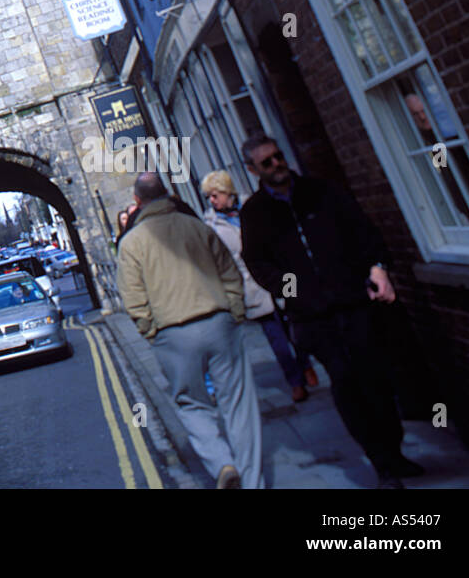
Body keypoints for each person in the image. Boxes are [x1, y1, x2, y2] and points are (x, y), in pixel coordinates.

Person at [238, 134, 419, 488]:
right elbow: (257, 262)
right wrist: (292, 291)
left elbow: (362, 231)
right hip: (313, 317)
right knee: (347, 384)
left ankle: (395, 452)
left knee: (377, 379)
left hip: (353, 303)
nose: (277, 166)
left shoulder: (323, 191)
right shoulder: (255, 212)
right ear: (252, 170)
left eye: (278, 157)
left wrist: (377, 267)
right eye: (266, 163)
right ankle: (380, 461)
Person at [117, 171, 263, 489]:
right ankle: (253, 483)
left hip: (173, 334)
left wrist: (151, 333)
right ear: (168, 194)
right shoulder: (197, 227)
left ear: (138, 202)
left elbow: (133, 298)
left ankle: (222, 463)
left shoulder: (131, 244)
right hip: (218, 321)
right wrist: (235, 311)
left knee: (192, 405)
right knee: (238, 404)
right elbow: (229, 272)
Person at [200, 169, 318, 402]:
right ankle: (295, 381)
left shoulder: (253, 207)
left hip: (282, 275)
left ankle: (306, 365)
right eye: (208, 197)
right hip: (251, 284)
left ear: (226, 192)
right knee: (277, 340)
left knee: (297, 326)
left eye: (214, 195)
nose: (212, 201)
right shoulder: (211, 225)